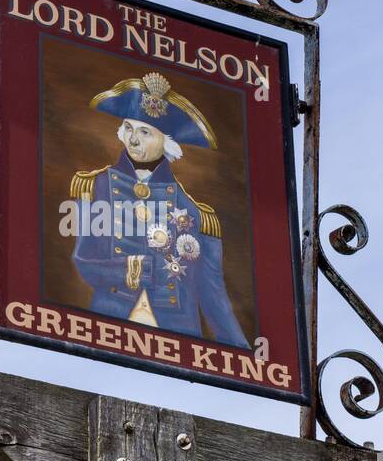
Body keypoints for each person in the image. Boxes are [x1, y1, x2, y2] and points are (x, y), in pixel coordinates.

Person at [70, 70, 249, 347]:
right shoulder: (94, 187)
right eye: (128, 128)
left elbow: (214, 297)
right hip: (107, 328)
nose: (133, 140)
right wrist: (133, 269)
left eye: (145, 132)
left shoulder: (199, 216)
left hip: (178, 339)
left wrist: (247, 358)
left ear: (167, 143)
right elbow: (84, 261)